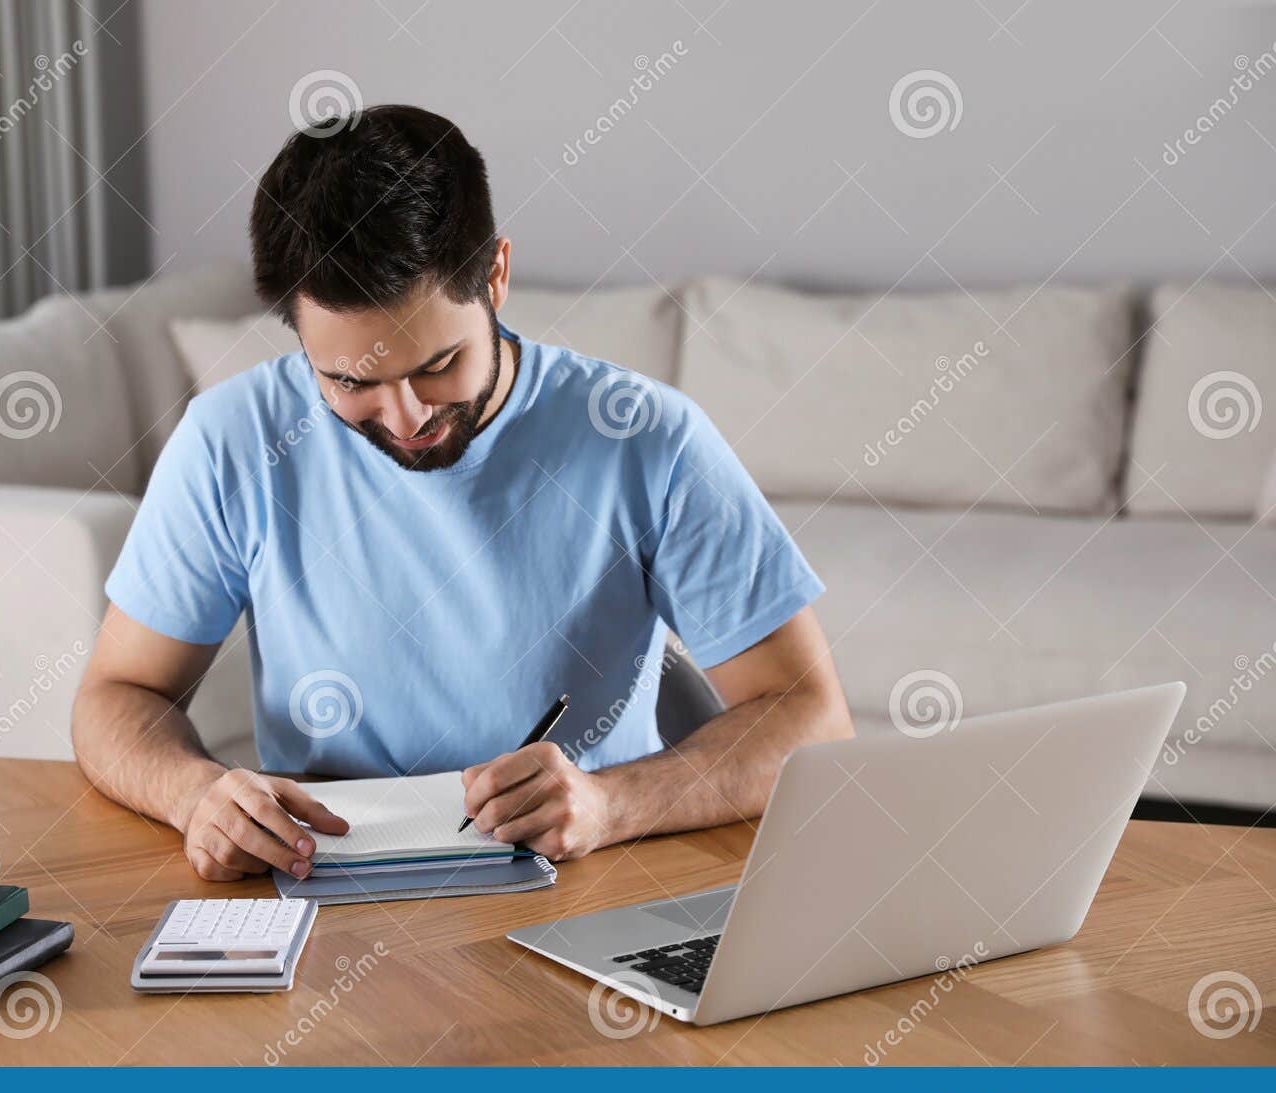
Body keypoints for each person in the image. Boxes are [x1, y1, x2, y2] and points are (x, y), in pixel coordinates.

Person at [72, 104, 854, 882]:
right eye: (350, 380)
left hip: (584, 885)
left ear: (496, 275)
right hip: (327, 891)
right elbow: (117, 694)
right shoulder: (230, 440)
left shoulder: (648, 438)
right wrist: (193, 793)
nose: (405, 416)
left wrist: (613, 803)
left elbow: (811, 718)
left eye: (438, 364)